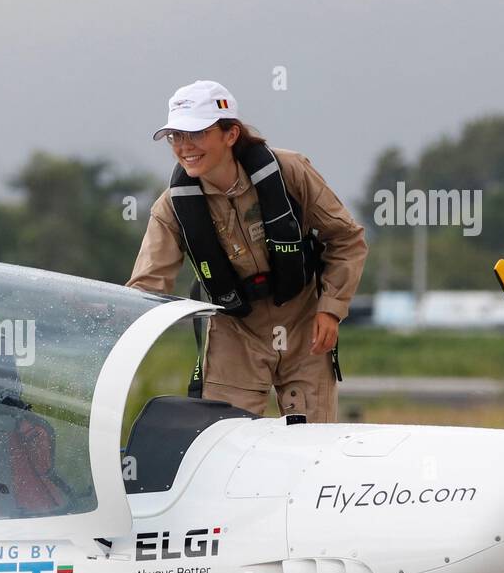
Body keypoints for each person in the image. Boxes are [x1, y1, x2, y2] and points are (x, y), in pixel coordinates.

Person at [127, 80, 368, 422]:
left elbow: (347, 239)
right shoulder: (171, 208)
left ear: (231, 134)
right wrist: (101, 322)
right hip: (233, 329)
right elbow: (147, 290)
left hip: (303, 323)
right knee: (225, 444)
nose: (184, 147)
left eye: (196, 134)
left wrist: (331, 309)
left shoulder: (290, 171)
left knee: (312, 444)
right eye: (175, 136)